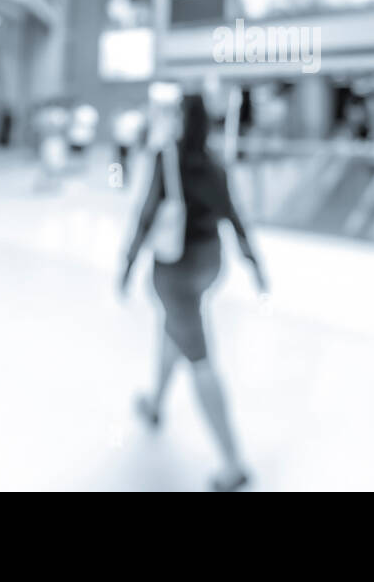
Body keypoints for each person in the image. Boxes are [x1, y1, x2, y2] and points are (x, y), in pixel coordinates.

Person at [119, 91, 267, 491]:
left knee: (198, 354)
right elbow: (234, 215)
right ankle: (154, 403)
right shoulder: (215, 164)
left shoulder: (167, 160)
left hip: (175, 270)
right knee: (175, 327)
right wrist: (255, 264)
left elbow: (145, 214)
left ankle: (233, 463)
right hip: (209, 264)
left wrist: (127, 265)